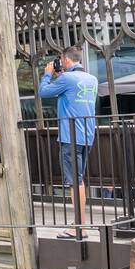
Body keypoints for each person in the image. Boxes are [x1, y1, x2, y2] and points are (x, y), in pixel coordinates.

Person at [39, 46, 98, 239]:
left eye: (60, 59)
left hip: (70, 135)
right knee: (78, 179)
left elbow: (43, 92)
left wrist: (48, 75)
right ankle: (79, 224)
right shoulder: (92, 79)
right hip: (87, 134)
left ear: (65, 59)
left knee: (74, 181)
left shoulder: (66, 79)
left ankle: (79, 226)